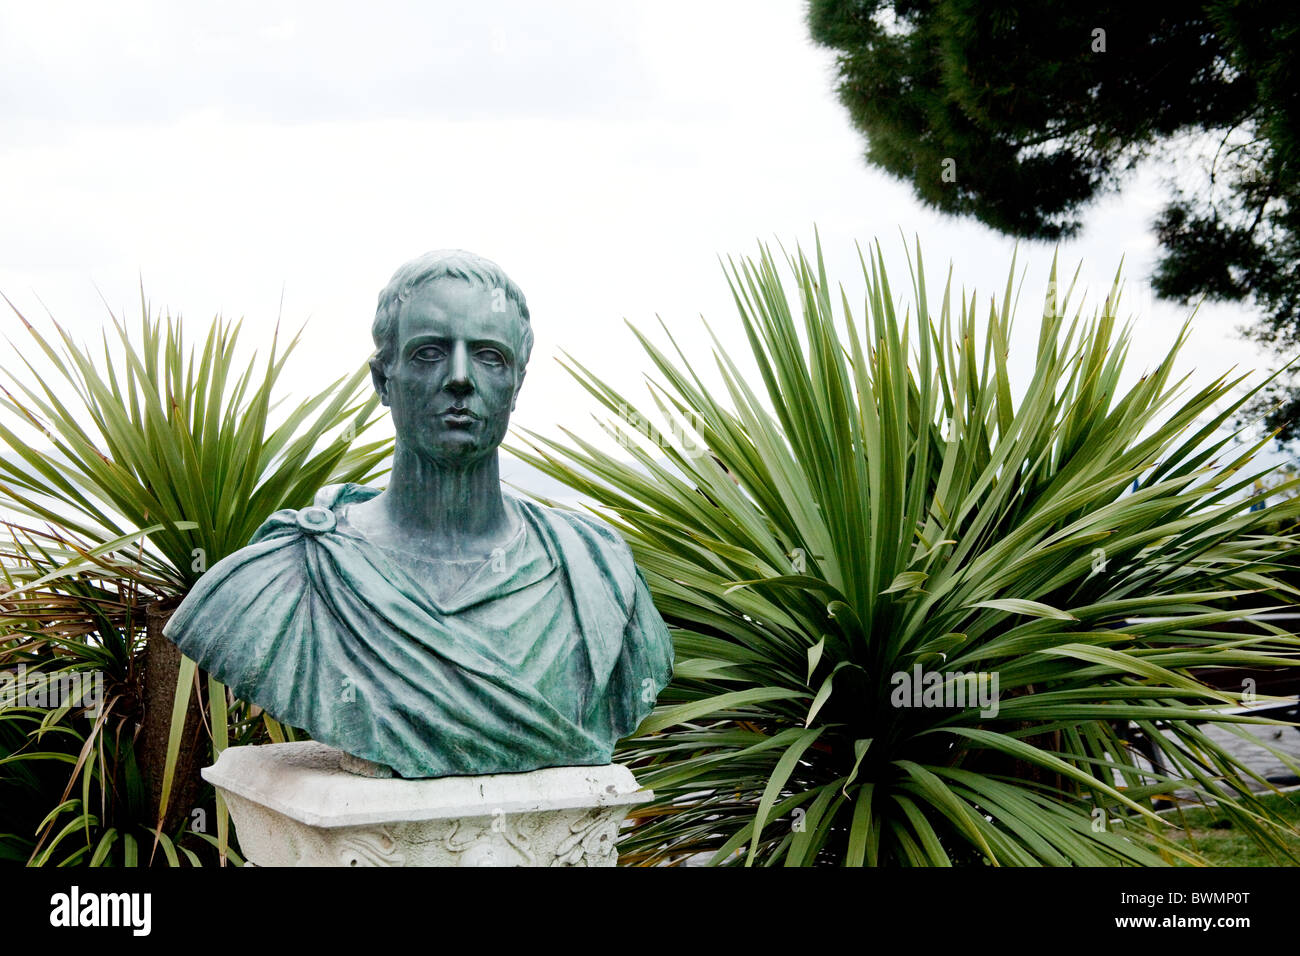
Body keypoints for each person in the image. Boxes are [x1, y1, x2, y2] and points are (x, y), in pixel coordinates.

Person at [164, 250, 674, 778]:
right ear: (383, 381)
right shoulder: (280, 579)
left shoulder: (599, 572)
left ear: (517, 384)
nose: (459, 378)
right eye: (429, 353)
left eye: (489, 356)